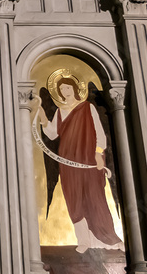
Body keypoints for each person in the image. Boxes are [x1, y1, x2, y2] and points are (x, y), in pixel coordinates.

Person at [32, 75, 123, 253]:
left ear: (75, 88)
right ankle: (84, 241)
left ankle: (108, 239)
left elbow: (99, 133)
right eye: (62, 89)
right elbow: (52, 134)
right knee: (74, 199)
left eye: (68, 88)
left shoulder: (87, 108)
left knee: (95, 197)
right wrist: (43, 118)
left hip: (88, 159)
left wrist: (98, 154)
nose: (66, 92)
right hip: (68, 161)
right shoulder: (60, 111)